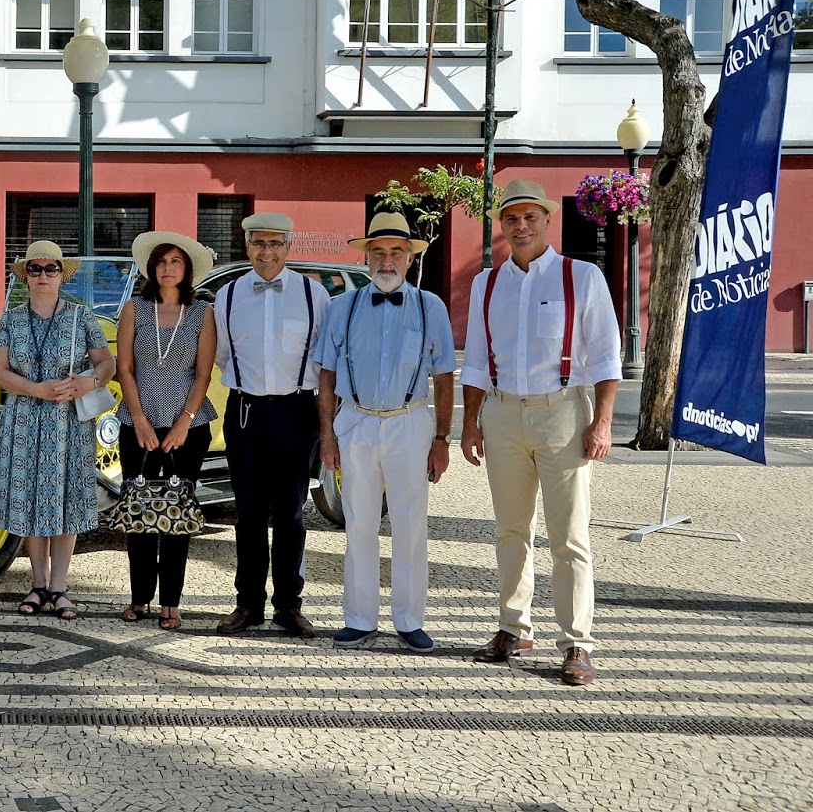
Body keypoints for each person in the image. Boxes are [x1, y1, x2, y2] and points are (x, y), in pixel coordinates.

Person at [460, 179, 620, 686]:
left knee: (570, 536)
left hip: (563, 412)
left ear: (546, 220)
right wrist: (470, 423)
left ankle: (576, 642)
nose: (521, 225)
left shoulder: (583, 276)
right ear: (501, 225)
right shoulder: (487, 283)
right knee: (510, 530)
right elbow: (478, 363)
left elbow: (606, 355)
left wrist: (603, 421)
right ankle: (513, 627)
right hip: (503, 413)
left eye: (530, 217)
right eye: (511, 218)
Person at [316, 212, 456, 654]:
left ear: (411, 257)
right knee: (358, 521)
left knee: (410, 524)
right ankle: (359, 619)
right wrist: (327, 435)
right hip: (355, 420)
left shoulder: (430, 306)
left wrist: (441, 439)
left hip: (410, 422)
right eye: (378, 252)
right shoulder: (344, 306)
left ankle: (410, 620)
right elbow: (325, 375)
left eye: (396, 251)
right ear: (366, 257)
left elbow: (445, 376)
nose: (387, 260)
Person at [213, 211, 330, 637]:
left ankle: (289, 605)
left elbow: (322, 357)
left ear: (287, 247)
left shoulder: (313, 294)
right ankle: (248, 604)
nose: (267, 252)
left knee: (291, 513)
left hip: (296, 410)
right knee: (247, 512)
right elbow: (224, 356)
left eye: (275, 244)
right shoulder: (226, 297)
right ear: (247, 247)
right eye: (259, 243)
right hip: (245, 412)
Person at [0, 240, 116, 621]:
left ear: (63, 274)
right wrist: (37, 389)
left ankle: (60, 587)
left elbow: (106, 363)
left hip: (68, 423)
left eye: (51, 268)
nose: (43, 275)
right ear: (25, 275)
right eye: (35, 268)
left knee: (66, 501)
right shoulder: (11, 319)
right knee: (30, 500)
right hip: (24, 420)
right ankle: (38, 583)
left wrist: (89, 383)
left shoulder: (82, 317)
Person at [115, 232, 217, 631]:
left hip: (187, 426)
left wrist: (183, 422)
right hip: (136, 424)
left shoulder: (202, 313)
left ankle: (171, 602)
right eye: (162, 262)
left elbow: (204, 372)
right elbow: (125, 368)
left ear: (187, 270)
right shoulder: (135, 309)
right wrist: (139, 418)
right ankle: (139, 597)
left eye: (176, 262)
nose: (168, 268)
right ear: (152, 268)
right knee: (138, 514)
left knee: (177, 515)